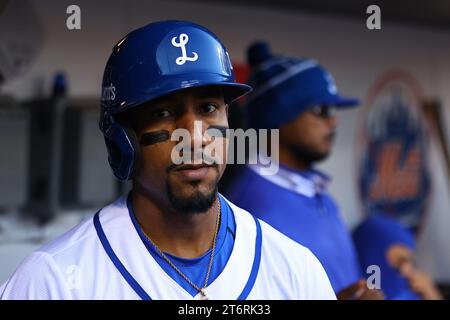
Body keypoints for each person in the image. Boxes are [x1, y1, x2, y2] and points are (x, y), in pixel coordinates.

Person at [0, 21, 335, 300]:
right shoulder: (54, 281)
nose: (194, 136)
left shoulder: (295, 270)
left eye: (208, 109)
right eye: (163, 113)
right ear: (123, 140)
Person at [225, 42, 382, 299]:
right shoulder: (248, 205)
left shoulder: (316, 191)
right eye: (321, 110)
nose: (334, 121)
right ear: (279, 117)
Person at [353, 214, 443, 300]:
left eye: (410, 260)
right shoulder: (353, 292)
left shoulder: (409, 290)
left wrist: (430, 293)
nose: (407, 271)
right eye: (399, 261)